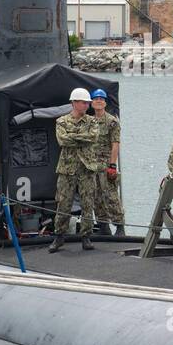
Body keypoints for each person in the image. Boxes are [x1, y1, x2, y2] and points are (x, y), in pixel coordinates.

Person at [50, 88, 100, 253]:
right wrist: (81, 137)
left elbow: (93, 138)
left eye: (87, 103)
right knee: (64, 203)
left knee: (88, 203)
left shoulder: (92, 121)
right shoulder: (61, 121)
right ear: (74, 102)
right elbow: (62, 140)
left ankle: (86, 236)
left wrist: (73, 136)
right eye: (83, 102)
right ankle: (59, 236)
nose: (86, 105)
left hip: (87, 168)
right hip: (67, 168)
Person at [90, 88, 124, 236]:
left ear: (105, 103)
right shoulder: (89, 121)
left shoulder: (112, 121)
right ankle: (103, 226)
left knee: (111, 195)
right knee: (96, 196)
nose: (98, 101)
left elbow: (115, 144)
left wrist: (112, 165)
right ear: (91, 103)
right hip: (92, 165)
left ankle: (120, 226)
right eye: (96, 98)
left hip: (106, 164)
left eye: (101, 99)